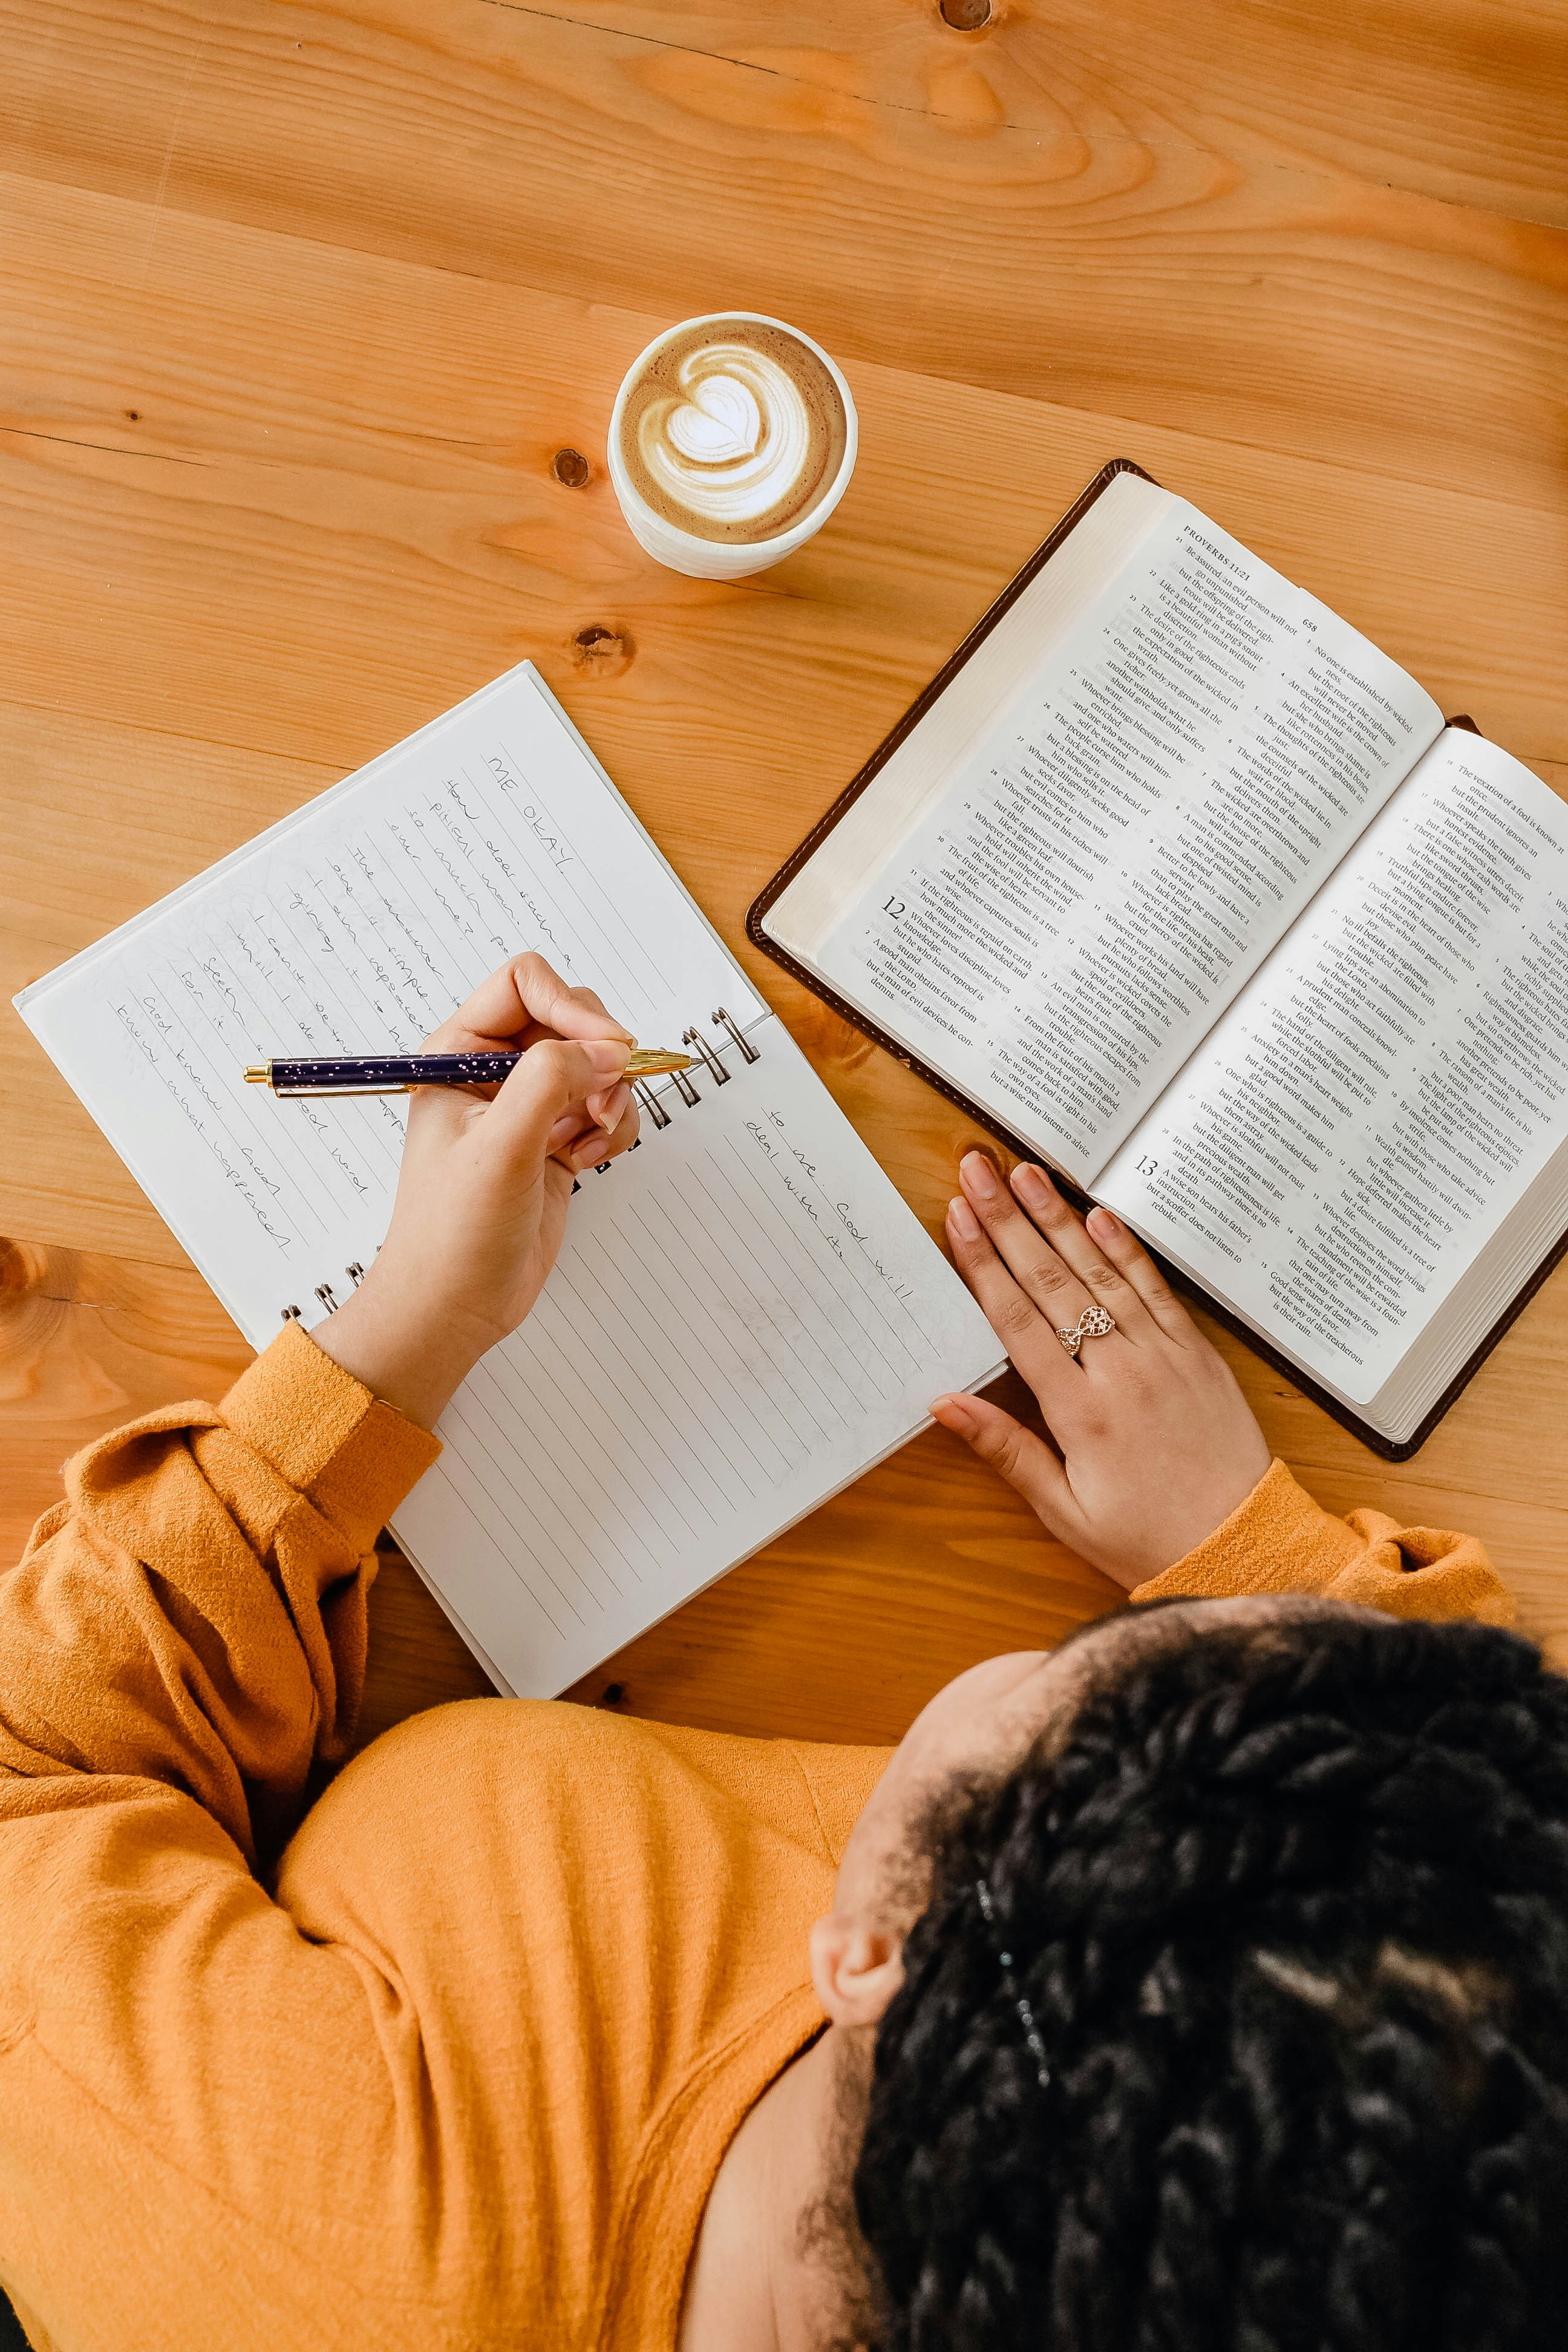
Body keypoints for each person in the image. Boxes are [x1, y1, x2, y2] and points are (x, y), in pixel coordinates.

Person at [0, 955, 1561, 2352]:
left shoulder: (294, 2253)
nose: (1219, 1622)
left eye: (1127, 1664)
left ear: (866, 1948)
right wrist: (1257, 1548)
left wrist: (390, 1338)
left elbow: (30, 1778)